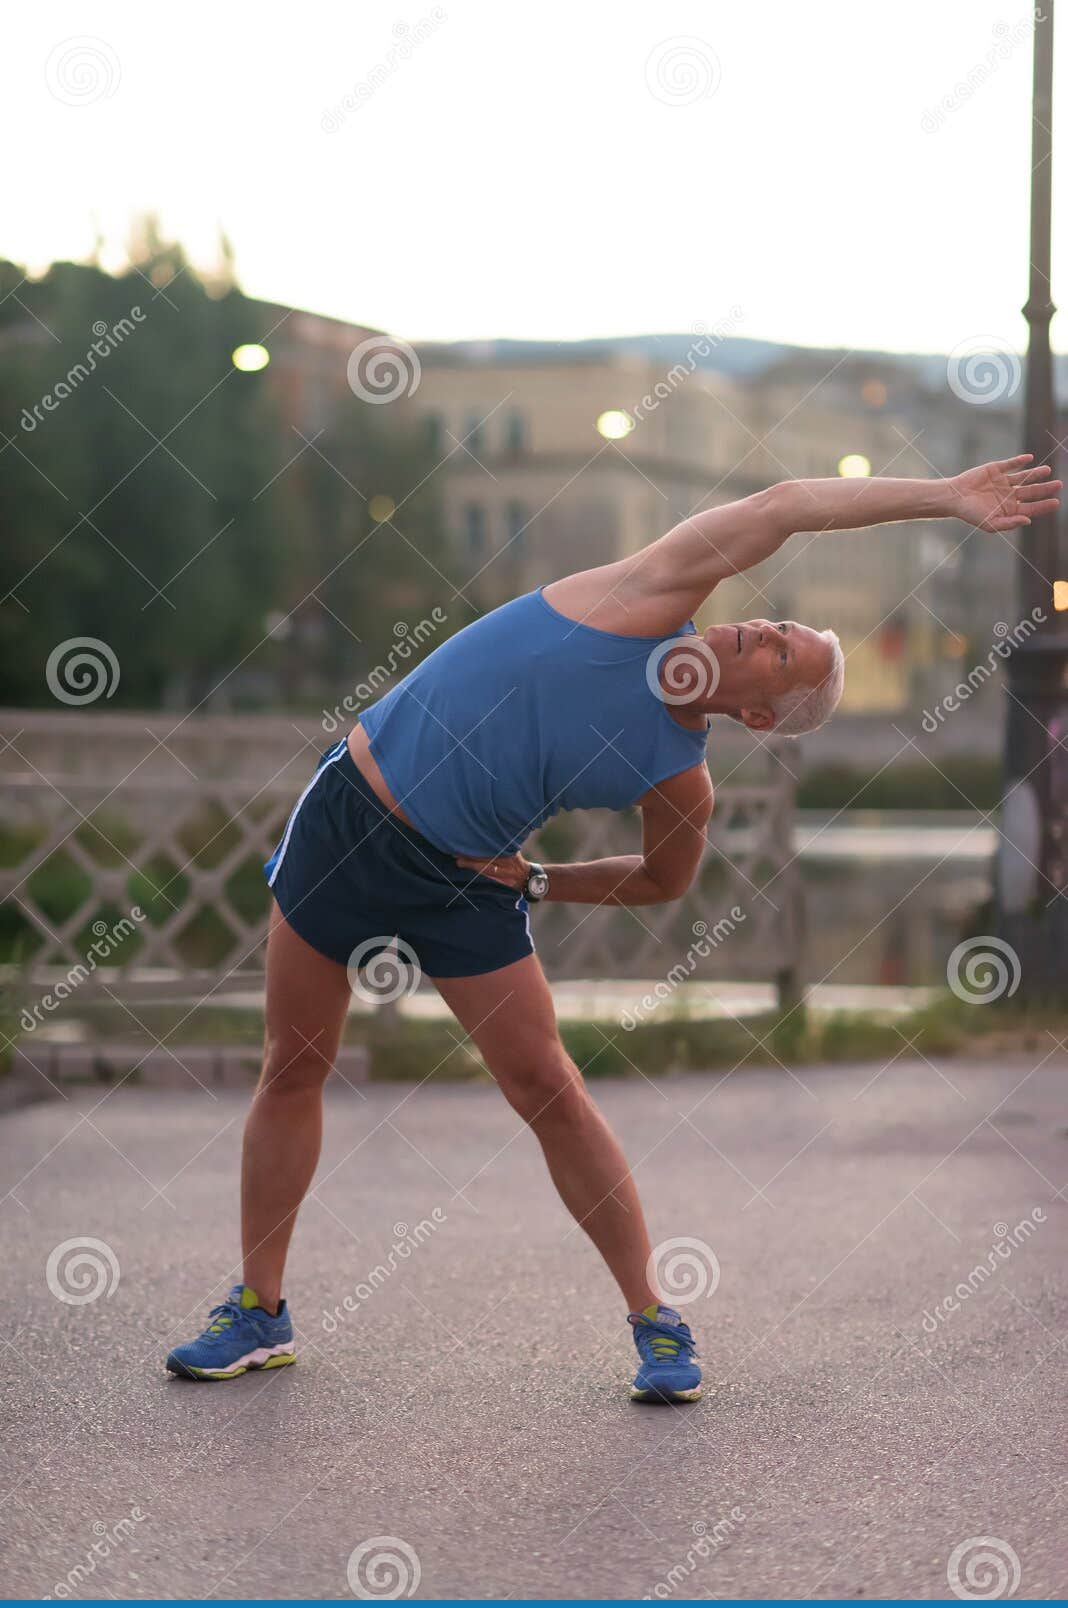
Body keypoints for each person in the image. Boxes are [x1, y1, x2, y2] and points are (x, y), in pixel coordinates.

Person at [165, 454, 1060, 1397]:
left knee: (549, 1085)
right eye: (779, 624)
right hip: (349, 819)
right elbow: (787, 504)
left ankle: (654, 1320)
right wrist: (945, 498)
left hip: (463, 882)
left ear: (757, 710)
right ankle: (260, 1310)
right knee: (294, 1061)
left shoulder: (680, 777)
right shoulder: (648, 596)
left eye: (779, 653)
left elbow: (662, 880)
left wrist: (543, 879)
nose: (763, 628)